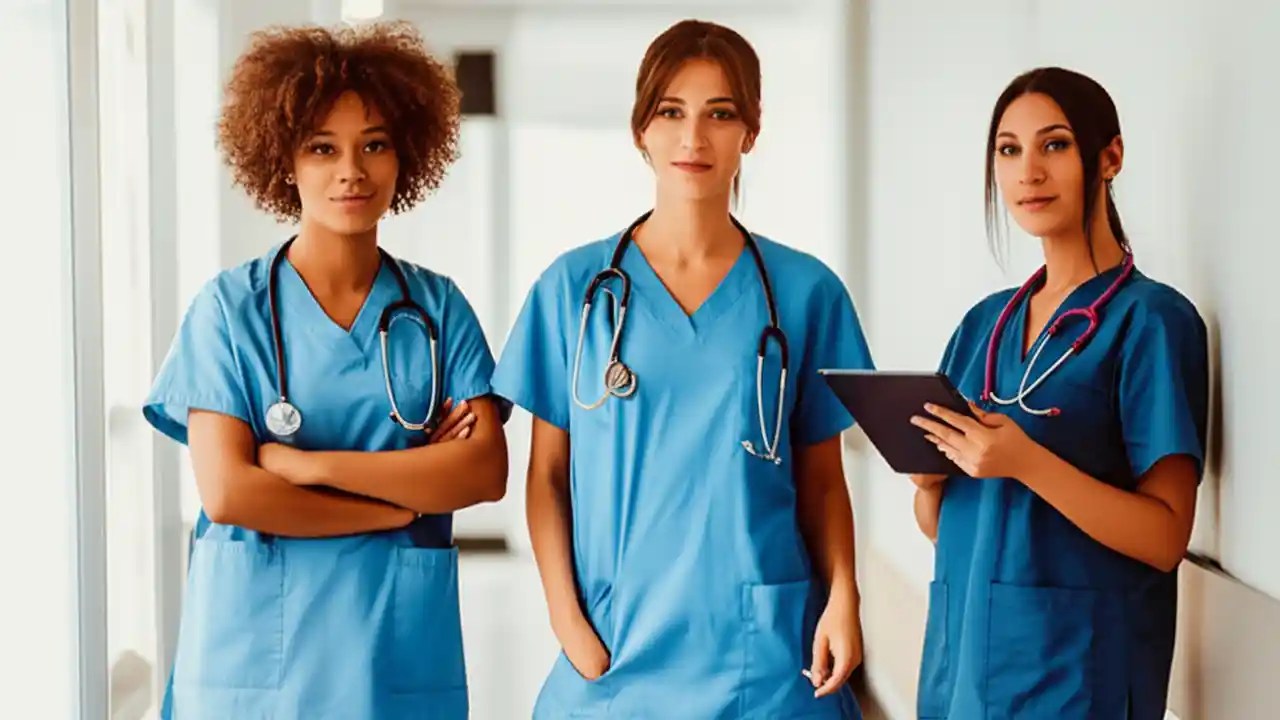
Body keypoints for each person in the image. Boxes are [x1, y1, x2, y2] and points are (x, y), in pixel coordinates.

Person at [492, 19, 870, 719]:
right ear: (641, 130)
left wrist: (844, 595)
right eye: (671, 112)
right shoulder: (574, 289)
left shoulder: (805, 291)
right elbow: (546, 478)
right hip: (613, 648)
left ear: (750, 133)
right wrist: (566, 621)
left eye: (720, 114)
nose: (693, 138)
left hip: (764, 656)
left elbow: (822, 483)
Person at [142, 21, 507, 719]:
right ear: (284, 161)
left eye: (374, 145)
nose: (351, 171)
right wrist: (403, 499)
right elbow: (231, 494)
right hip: (253, 667)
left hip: (390, 656)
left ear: (405, 158)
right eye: (322, 148)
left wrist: (310, 467)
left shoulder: (437, 309)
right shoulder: (231, 310)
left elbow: (482, 473)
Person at [907, 67, 1209, 719]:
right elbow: (950, 526)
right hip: (963, 674)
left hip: (1077, 680)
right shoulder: (982, 327)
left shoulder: (1150, 322)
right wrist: (930, 489)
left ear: (1110, 157)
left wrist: (1025, 461)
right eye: (1008, 150)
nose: (1028, 173)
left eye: (1054, 145)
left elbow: (1164, 537)